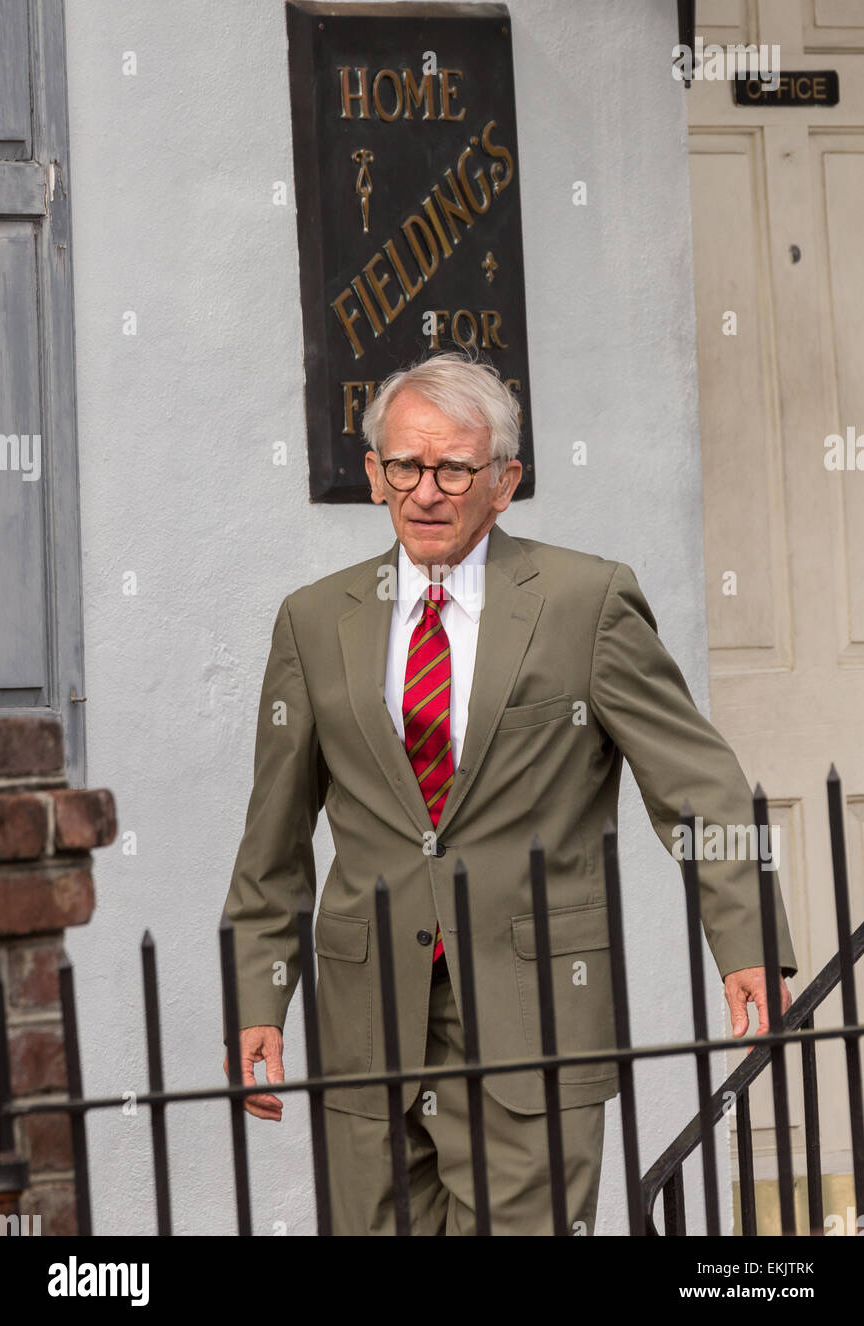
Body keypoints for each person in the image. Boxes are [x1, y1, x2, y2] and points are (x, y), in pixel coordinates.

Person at [221, 349, 797, 1235]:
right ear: (375, 476)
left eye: (455, 468)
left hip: (534, 1016)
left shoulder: (585, 601)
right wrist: (261, 994)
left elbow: (699, 784)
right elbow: (276, 835)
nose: (427, 491)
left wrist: (748, 936)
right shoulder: (312, 619)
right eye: (406, 466)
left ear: (505, 480)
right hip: (368, 1020)